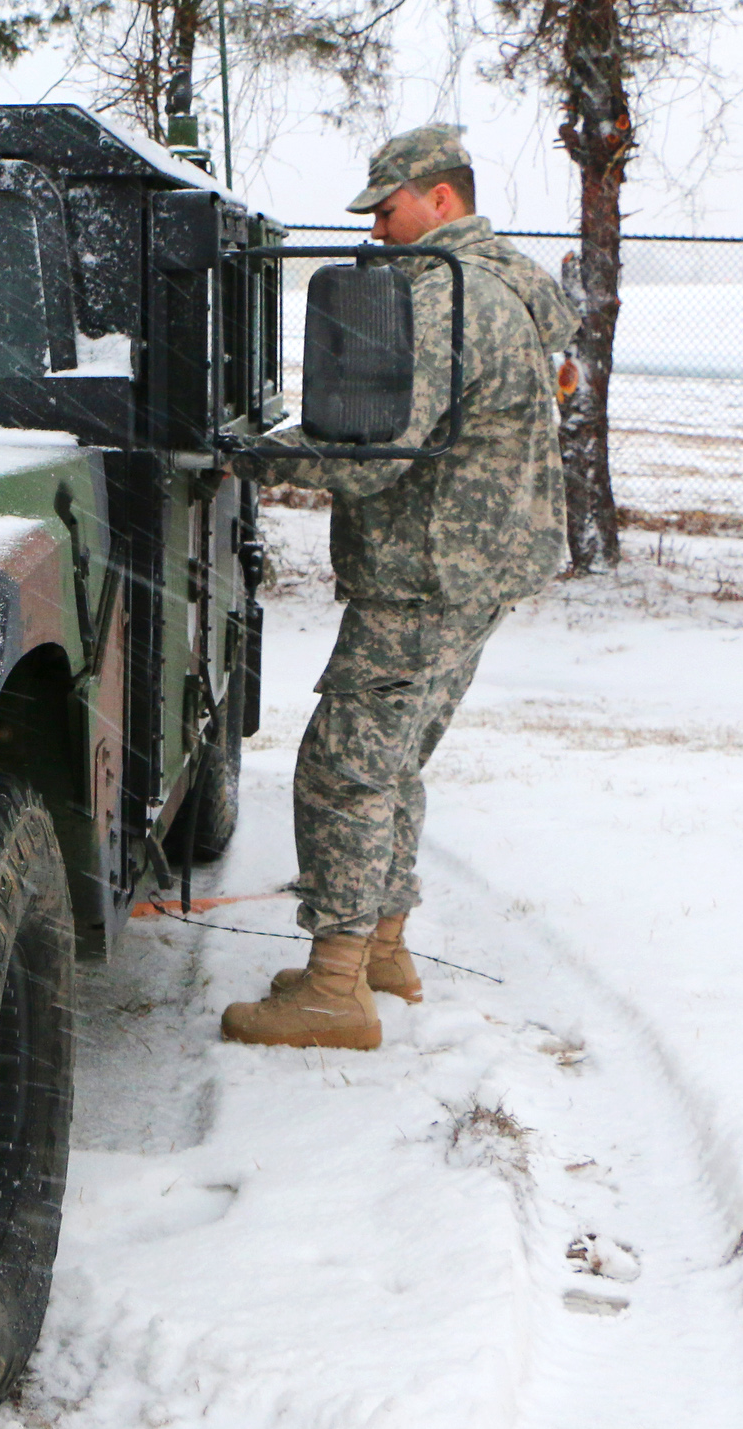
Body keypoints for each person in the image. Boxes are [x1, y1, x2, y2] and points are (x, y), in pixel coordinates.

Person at [221, 125, 580, 1051]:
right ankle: (379, 951)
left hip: (428, 573)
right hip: (476, 569)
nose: (376, 231)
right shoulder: (499, 285)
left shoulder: (448, 299)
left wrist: (250, 455)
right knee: (391, 759)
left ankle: (336, 990)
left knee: (341, 769)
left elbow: (378, 451)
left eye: (387, 210)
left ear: (441, 199)